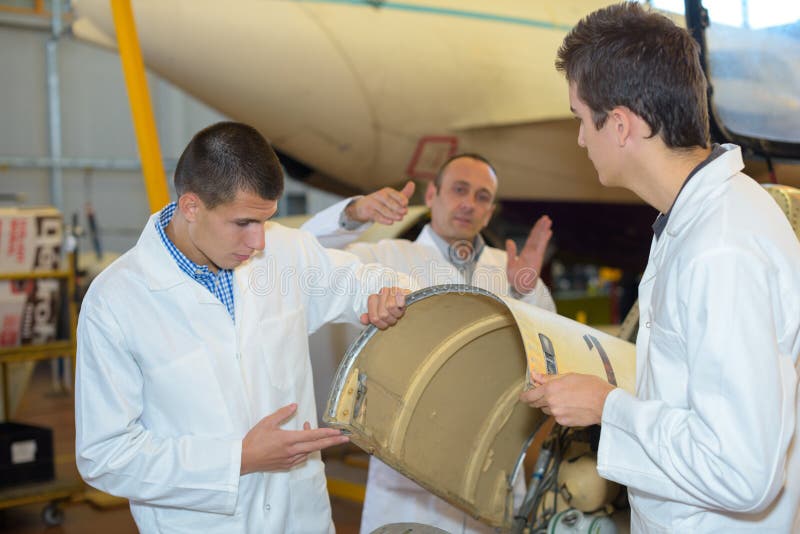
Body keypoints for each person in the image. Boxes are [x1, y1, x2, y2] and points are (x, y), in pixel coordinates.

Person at [521, 3, 800, 533]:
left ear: (620, 125)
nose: (580, 138)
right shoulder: (699, 218)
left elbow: (740, 471)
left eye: (582, 119)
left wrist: (608, 406)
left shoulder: (721, 248)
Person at [75, 122, 409, 534]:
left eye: (265, 222)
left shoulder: (287, 253)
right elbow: (104, 456)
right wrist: (238, 461)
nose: (259, 243)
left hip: (298, 518)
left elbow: (366, 282)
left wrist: (386, 293)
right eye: (243, 223)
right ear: (192, 207)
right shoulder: (116, 300)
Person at [302, 153, 557, 533]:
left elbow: (551, 349)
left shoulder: (512, 270)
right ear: (433, 194)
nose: (469, 203)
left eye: (483, 196)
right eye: (459, 189)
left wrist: (526, 294)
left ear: (490, 212)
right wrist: (355, 213)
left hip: (490, 464)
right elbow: (304, 256)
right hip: (405, 467)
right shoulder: (385, 257)